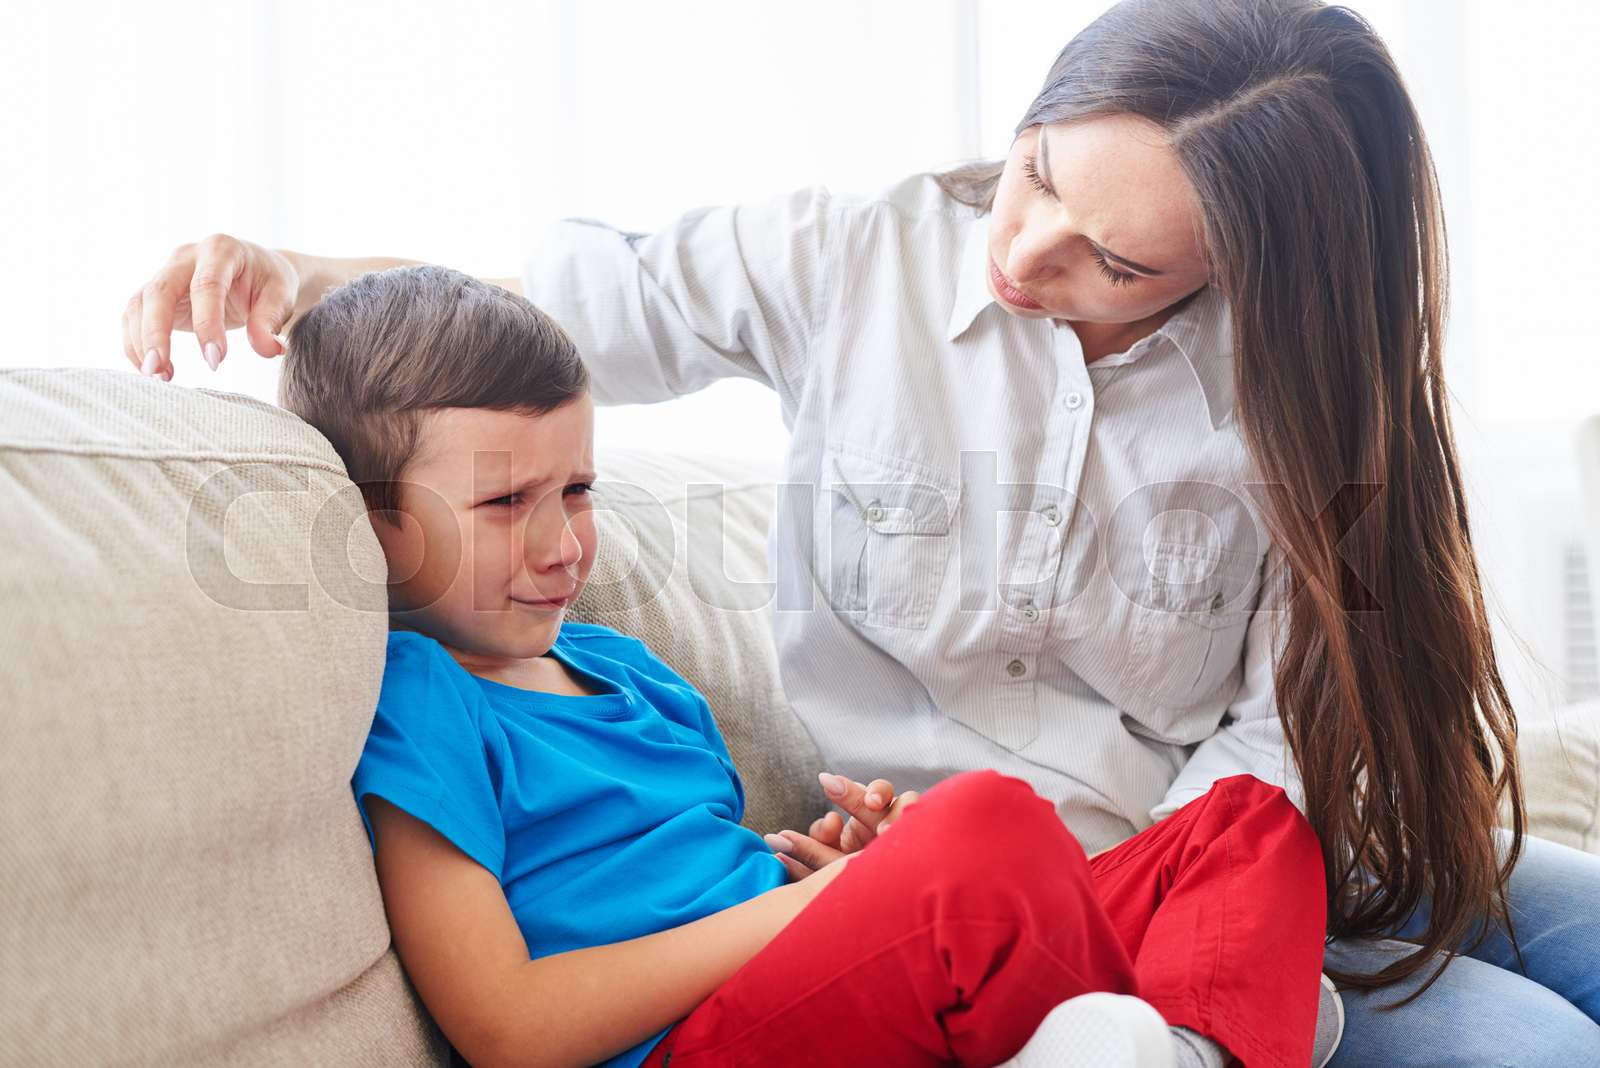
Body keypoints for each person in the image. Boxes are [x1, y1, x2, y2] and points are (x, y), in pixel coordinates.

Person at [123, 1, 1600, 1064]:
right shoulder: (856, 254)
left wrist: (867, 884)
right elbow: (527, 341)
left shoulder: (1296, 393)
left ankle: (1183, 1038)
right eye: (1036, 173)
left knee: (1296, 840)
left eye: (1120, 256)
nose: (1023, 254)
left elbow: (1273, 755)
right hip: (969, 894)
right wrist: (312, 272)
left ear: (1253, 278)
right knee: (1534, 1047)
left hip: (1149, 872)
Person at [268, 262, 1329, 1068]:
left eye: (578, 490)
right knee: (988, 824)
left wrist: (836, 875)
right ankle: (1186, 1014)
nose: (561, 545)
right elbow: (506, 1026)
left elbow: (699, 879)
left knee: (1243, 821)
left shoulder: (629, 673)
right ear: (376, 526)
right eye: (505, 504)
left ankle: (1193, 1043)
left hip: (786, 987)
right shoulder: (422, 697)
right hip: (689, 1048)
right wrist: (831, 906)